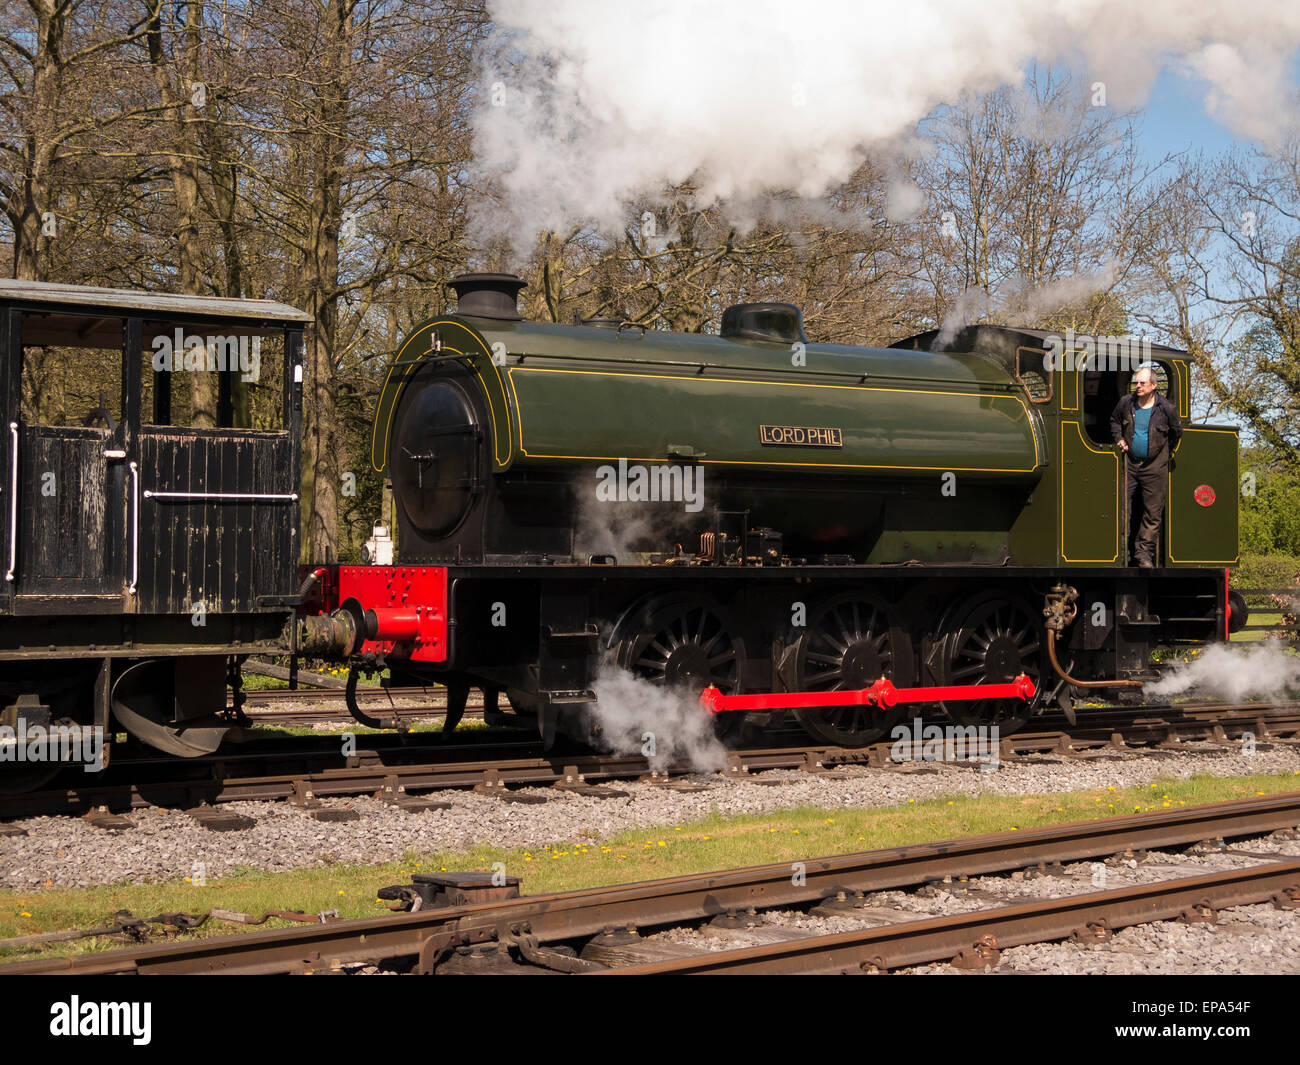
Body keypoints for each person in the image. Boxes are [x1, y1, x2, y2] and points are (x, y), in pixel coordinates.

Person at [1109, 364, 1182, 568]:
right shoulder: (1126, 403)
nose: (1138, 386)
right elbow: (1114, 421)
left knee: (1152, 513)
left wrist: (1164, 454)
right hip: (1130, 464)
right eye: (1136, 382)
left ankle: (1143, 554)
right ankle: (1121, 553)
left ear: (1153, 385)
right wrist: (1119, 440)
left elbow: (1177, 432)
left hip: (1155, 467)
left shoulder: (1167, 409)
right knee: (1123, 508)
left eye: (1142, 383)